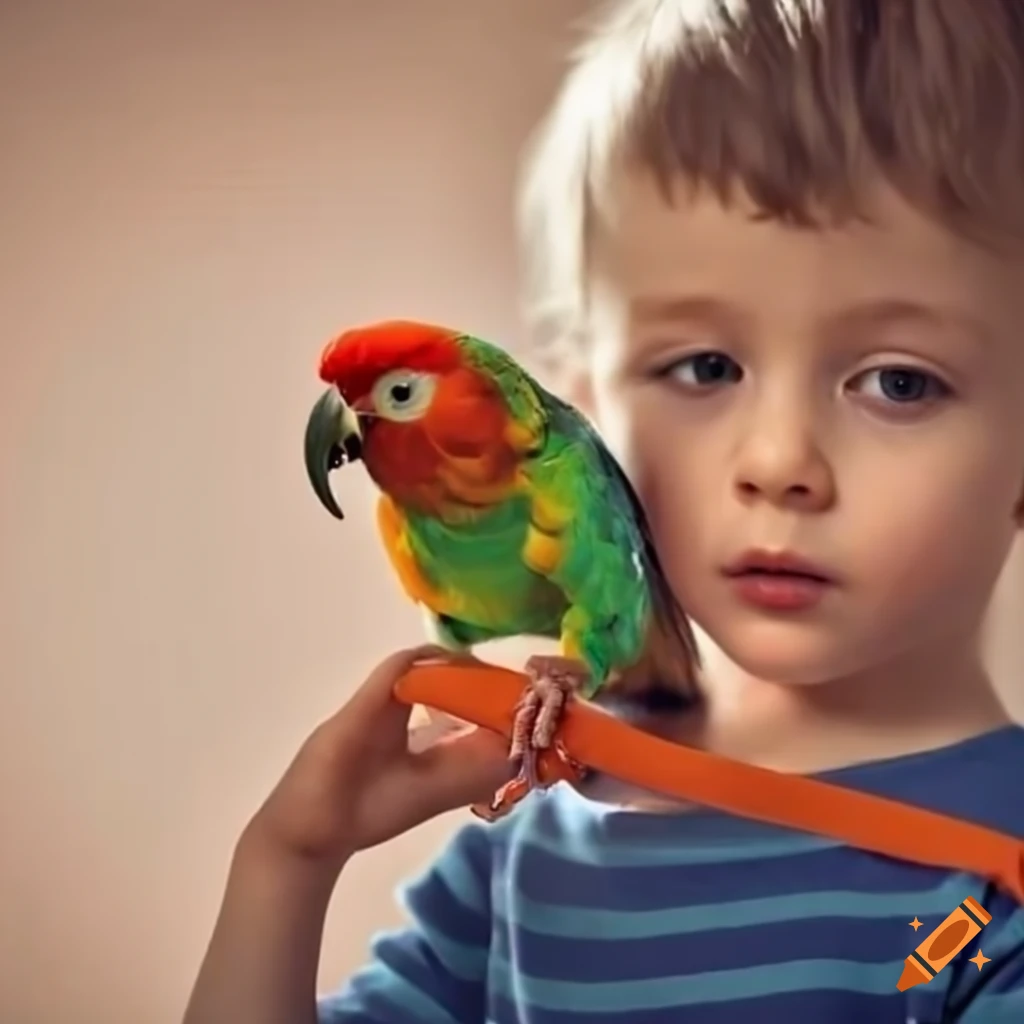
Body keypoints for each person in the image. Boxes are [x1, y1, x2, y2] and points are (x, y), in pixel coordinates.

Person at [183, 1, 1024, 1021]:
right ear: (591, 408)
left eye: (899, 381)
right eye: (704, 367)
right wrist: (288, 858)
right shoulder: (522, 851)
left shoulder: (1003, 870)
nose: (779, 464)